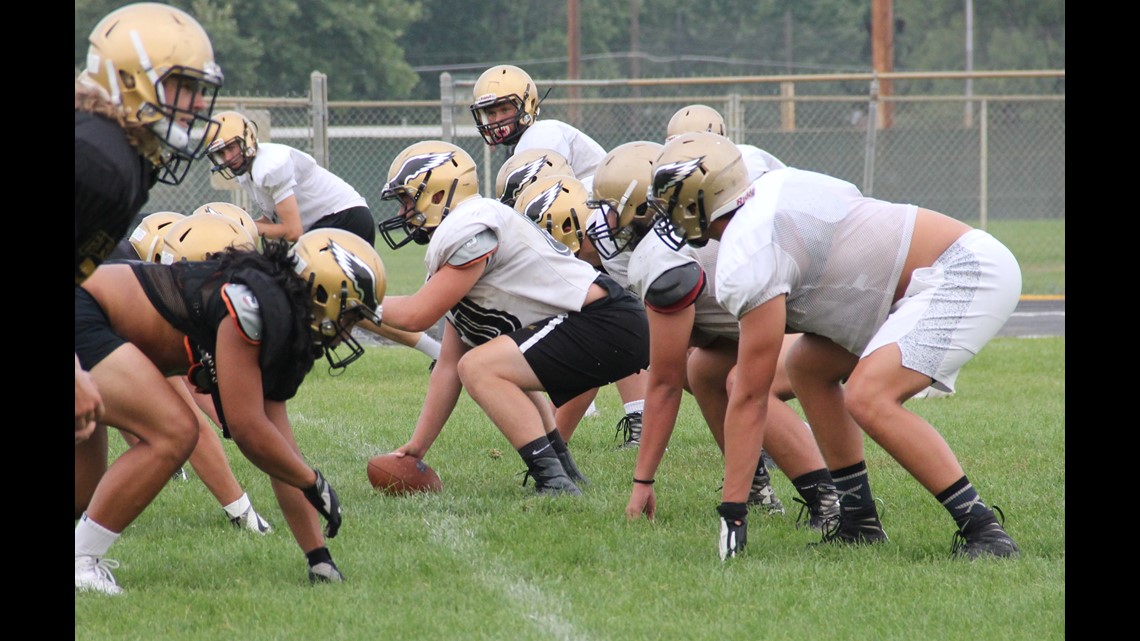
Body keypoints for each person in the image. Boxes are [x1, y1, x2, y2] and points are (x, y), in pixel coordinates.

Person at [648, 132, 1021, 560]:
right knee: (808, 365)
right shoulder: (766, 187)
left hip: (962, 271)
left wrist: (733, 511)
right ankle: (859, 520)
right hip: (909, 283)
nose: (669, 215)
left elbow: (751, 394)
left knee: (869, 395)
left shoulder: (747, 249)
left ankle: (985, 531)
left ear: (701, 201)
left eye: (673, 202)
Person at [76, 227, 383, 593]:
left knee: (84, 492)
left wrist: (318, 556)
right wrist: (311, 481)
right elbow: (246, 428)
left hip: (96, 323)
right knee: (174, 431)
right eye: (349, 316)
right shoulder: (255, 306)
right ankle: (82, 565)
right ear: (321, 293)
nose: (348, 330)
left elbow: (278, 445)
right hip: (87, 314)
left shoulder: (280, 321)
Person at [578, 141, 837, 523]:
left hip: (818, 319)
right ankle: (752, 483)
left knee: (742, 383)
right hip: (782, 319)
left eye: (612, 210)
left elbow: (662, 384)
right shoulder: (672, 240)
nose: (605, 222)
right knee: (701, 369)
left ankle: (829, 499)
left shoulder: (662, 258)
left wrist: (642, 480)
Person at [375, 140, 650, 495]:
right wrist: (419, 444)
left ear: (440, 192)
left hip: (605, 320)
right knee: (490, 364)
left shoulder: (472, 226)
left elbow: (416, 314)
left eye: (407, 199)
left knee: (480, 367)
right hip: (605, 323)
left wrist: (353, 299)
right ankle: (563, 471)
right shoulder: (462, 246)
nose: (402, 212)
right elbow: (447, 365)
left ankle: (553, 482)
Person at [471, 66, 647, 443]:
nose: (497, 120)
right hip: (588, 232)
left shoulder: (540, 135)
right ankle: (625, 416)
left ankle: (612, 414)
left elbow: (546, 195)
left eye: (504, 109)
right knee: (614, 319)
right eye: (491, 112)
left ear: (527, 104)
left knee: (618, 319)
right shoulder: (529, 143)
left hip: (597, 232)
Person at [75, 1, 224, 442]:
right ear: (126, 79)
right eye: (181, 85)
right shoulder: (97, 160)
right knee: (170, 430)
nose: (198, 102)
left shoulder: (122, 149)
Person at [205, 109, 442, 363]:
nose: (228, 157)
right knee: (340, 304)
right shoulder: (250, 174)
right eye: (221, 153)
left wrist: (244, 225)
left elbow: (292, 230)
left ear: (247, 138)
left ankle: (277, 357)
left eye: (231, 148)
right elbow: (274, 222)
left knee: (345, 304)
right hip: (322, 227)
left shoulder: (268, 166)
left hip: (343, 218)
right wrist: (240, 226)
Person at [104, 210, 274, 534]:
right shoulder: (138, 302)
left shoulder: (130, 278)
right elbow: (189, 416)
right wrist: (242, 510)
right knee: (178, 427)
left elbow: (185, 380)